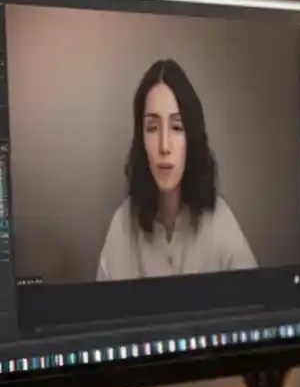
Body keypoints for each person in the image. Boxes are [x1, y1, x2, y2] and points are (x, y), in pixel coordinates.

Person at [97, 59, 257, 281]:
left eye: (177, 127)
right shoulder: (123, 226)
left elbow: (256, 303)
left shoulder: (219, 221)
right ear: (141, 139)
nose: (164, 146)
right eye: (152, 128)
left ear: (191, 136)